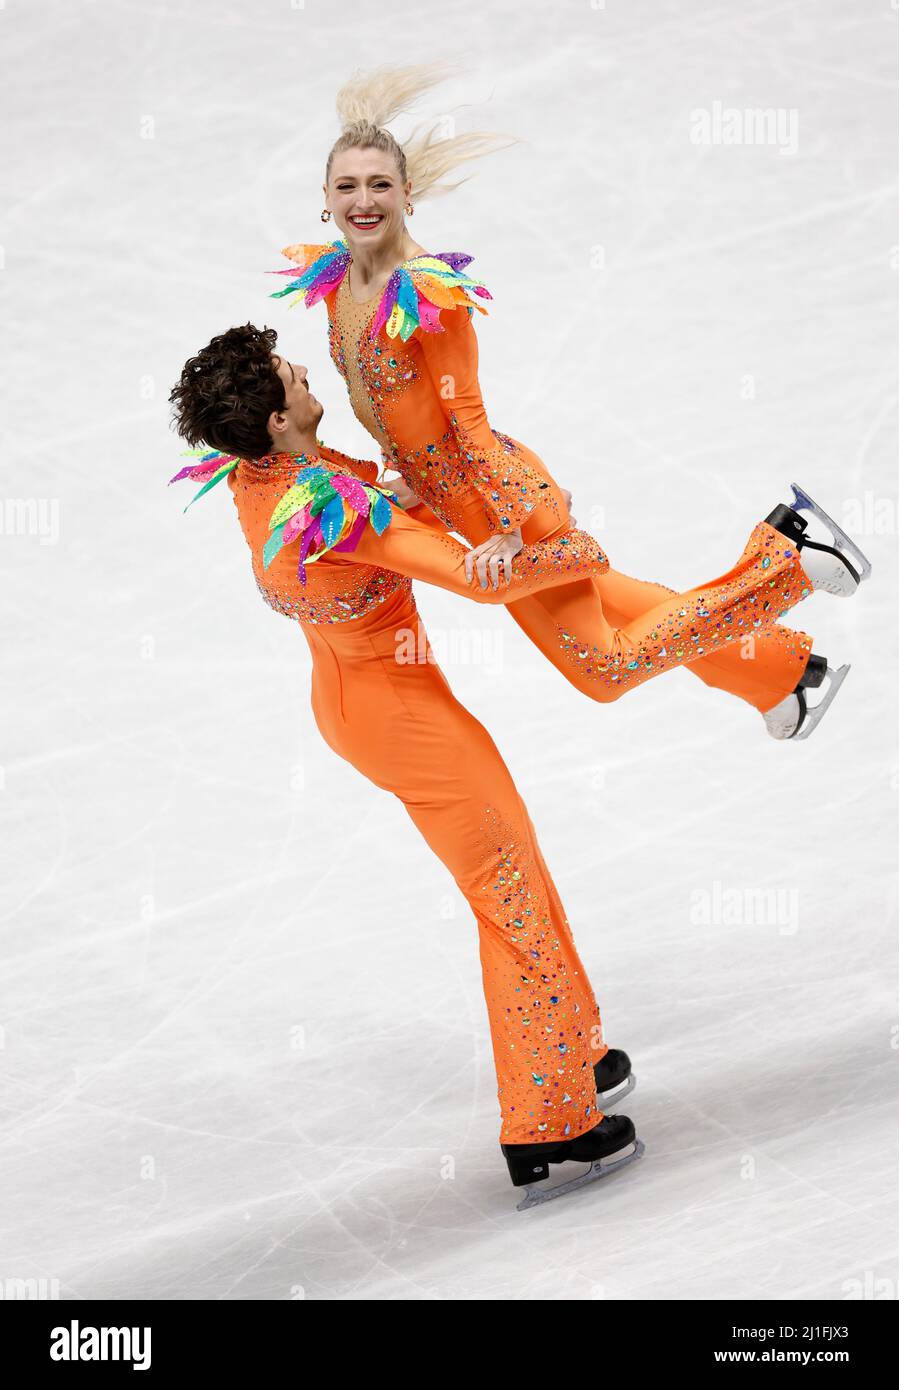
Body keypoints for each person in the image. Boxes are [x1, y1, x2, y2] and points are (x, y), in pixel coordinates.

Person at [168, 323, 644, 1209]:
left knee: (517, 867)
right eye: (292, 375)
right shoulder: (323, 501)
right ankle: (552, 1131)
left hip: (360, 699)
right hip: (401, 717)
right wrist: (567, 540)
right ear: (275, 420)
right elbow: (480, 579)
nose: (308, 373)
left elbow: (395, 499)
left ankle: (571, 1045)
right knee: (507, 894)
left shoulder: (262, 474)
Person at [269, 63, 871, 741]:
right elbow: (392, 410)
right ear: (324, 196)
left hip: (501, 498)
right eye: (347, 185)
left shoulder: (430, 294)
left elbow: (463, 413)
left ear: (408, 193)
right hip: (451, 496)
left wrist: (503, 525)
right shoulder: (338, 278)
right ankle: (784, 676)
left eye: (380, 184)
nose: (364, 200)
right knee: (615, 601)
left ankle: (786, 557)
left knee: (600, 668)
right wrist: (416, 480)